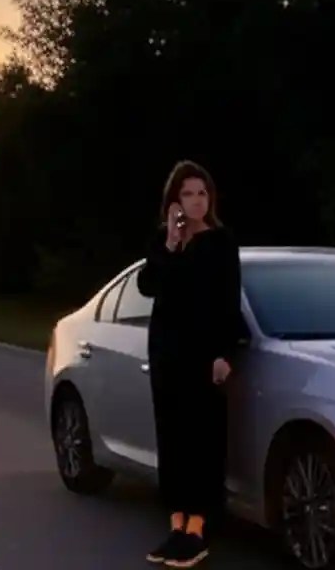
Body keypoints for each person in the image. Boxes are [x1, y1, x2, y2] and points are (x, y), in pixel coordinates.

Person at [136, 160, 245, 568]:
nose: (197, 201)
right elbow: (150, 285)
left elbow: (227, 300)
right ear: (174, 202)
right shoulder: (164, 242)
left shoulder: (221, 242)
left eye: (202, 193)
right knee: (173, 439)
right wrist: (170, 242)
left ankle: (198, 527)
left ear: (210, 199)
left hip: (204, 355)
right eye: (188, 194)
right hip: (166, 353)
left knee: (203, 440)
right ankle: (176, 524)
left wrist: (224, 353)